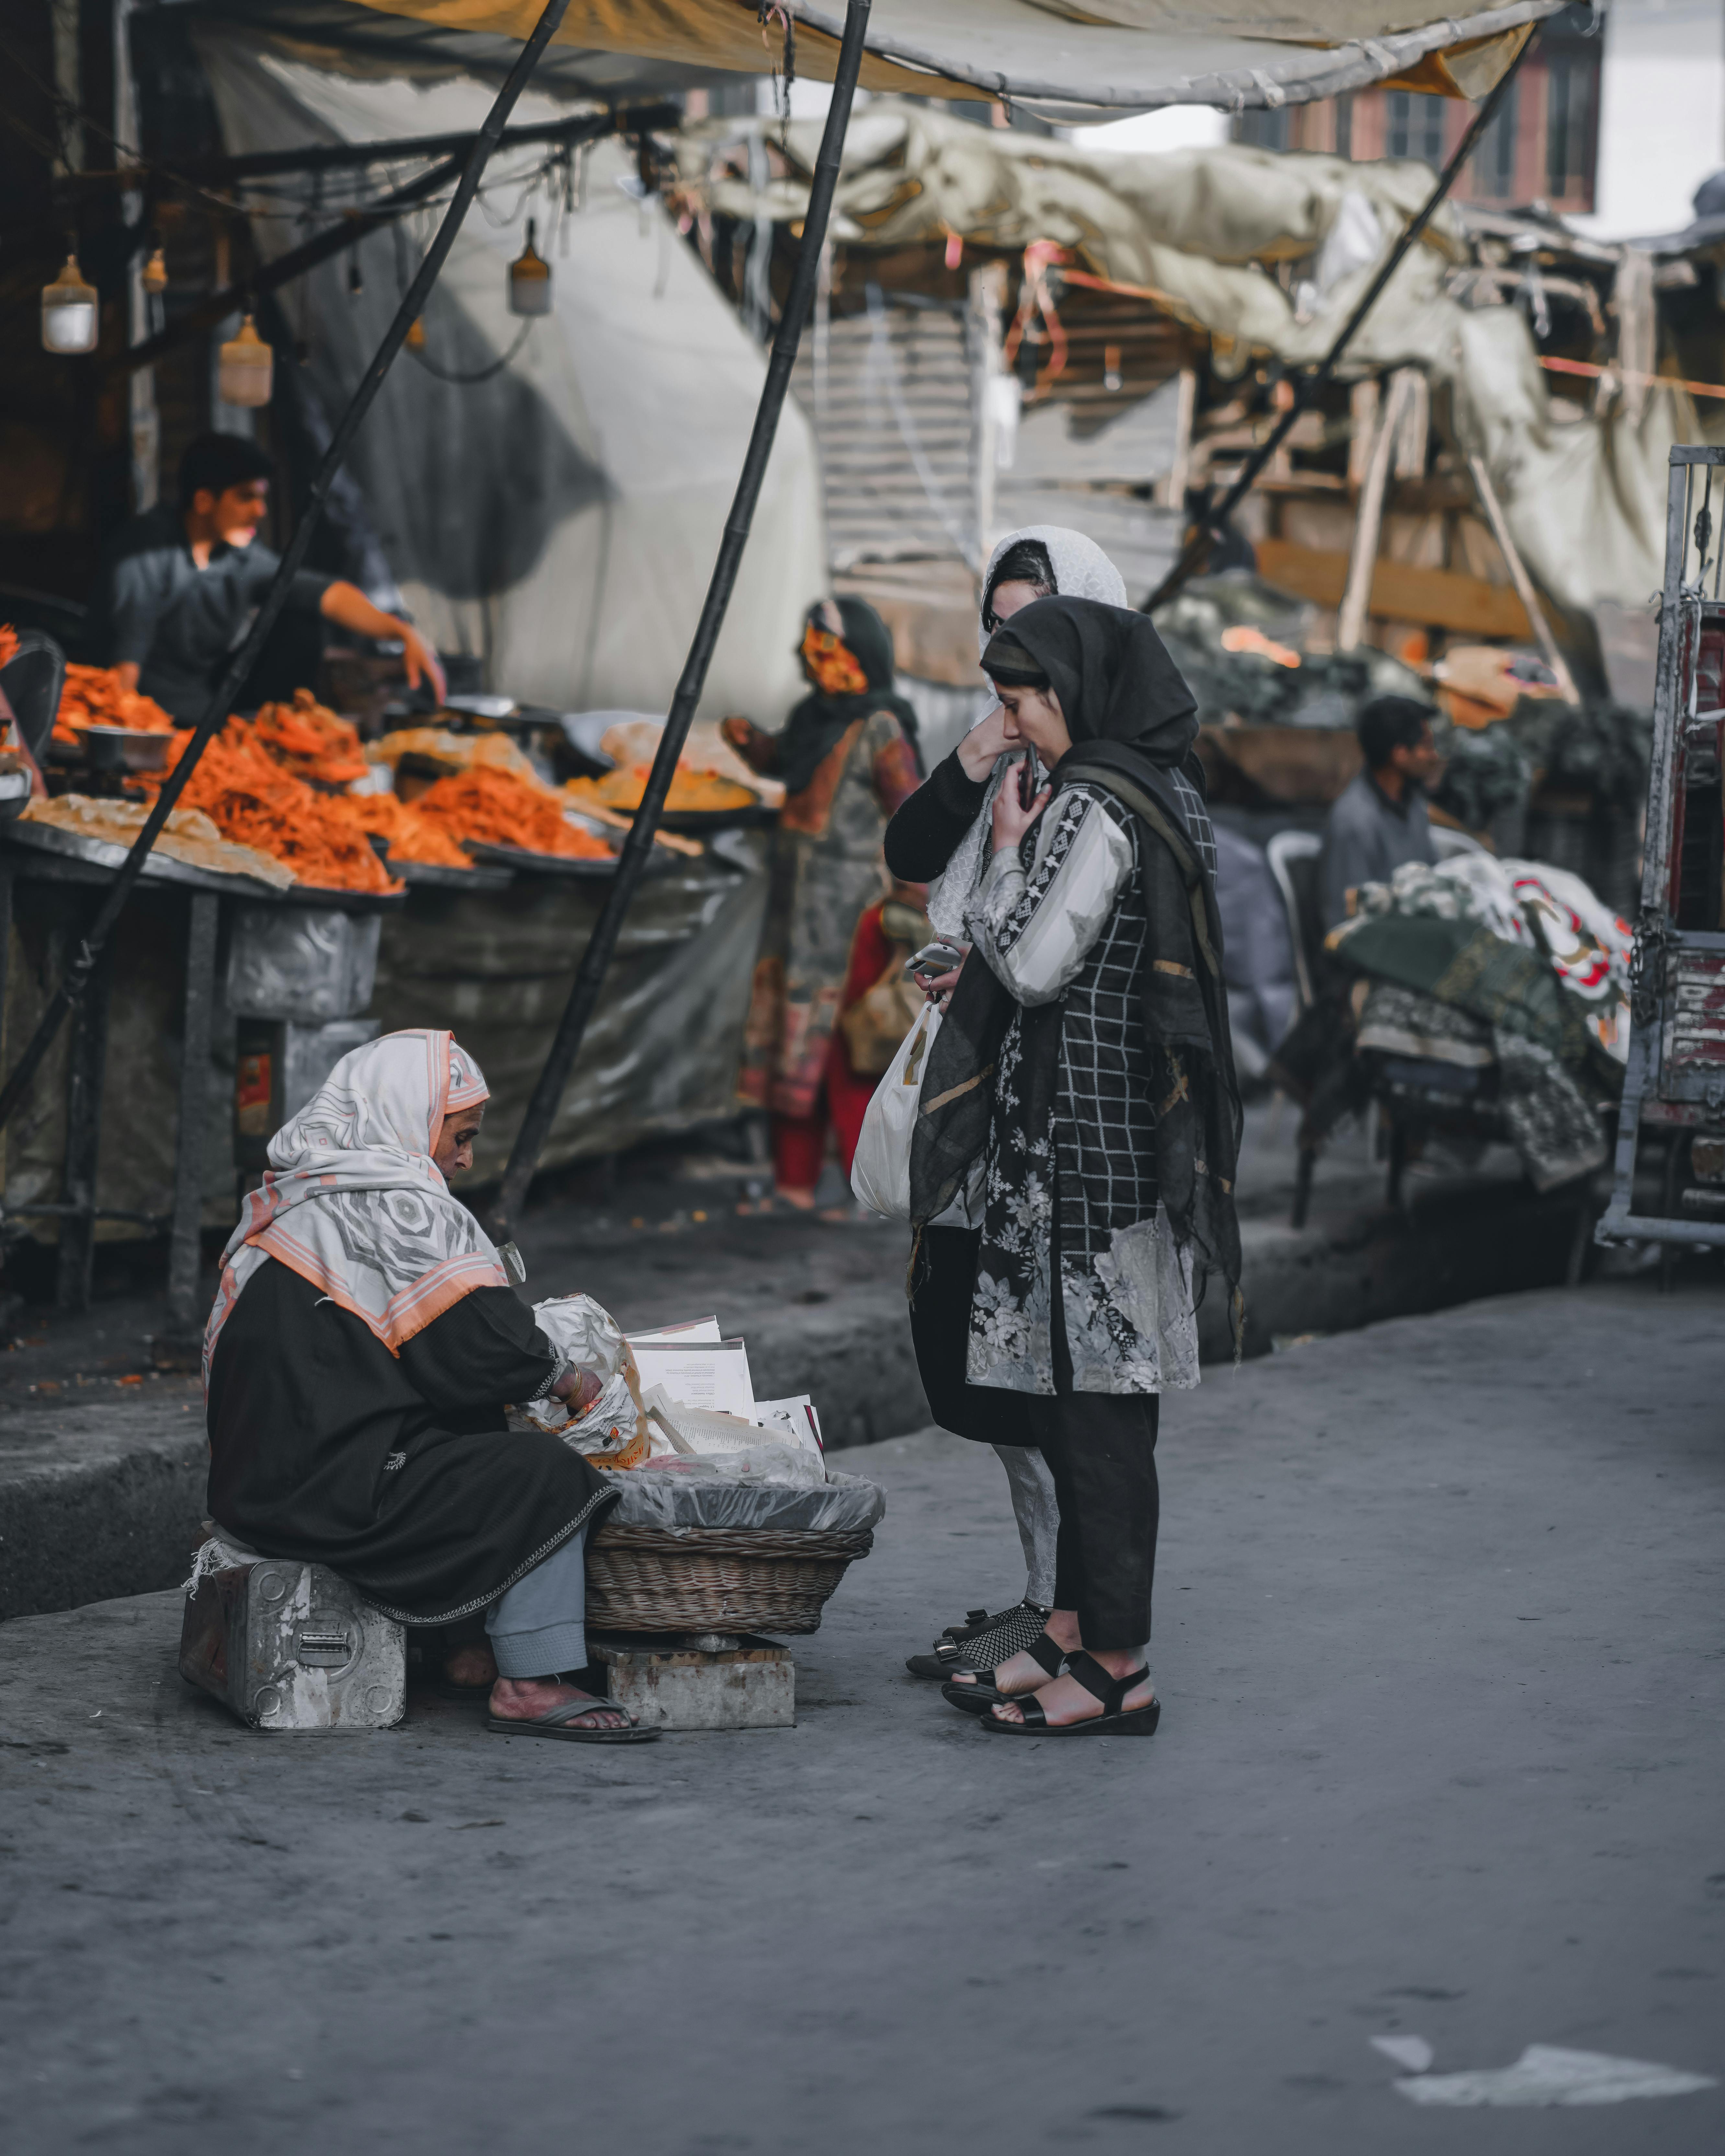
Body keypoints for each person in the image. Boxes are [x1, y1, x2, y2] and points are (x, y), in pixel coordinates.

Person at [924, 595, 1243, 1736]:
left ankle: (1116, 1666)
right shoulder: (1163, 788)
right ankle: (1070, 1628)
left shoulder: (1093, 802)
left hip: (1085, 1156)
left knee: (1099, 1418)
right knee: (1072, 1404)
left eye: (1021, 702)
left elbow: (1027, 961)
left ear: (1073, 692)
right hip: (1111, 1143)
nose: (1013, 725)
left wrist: (1011, 852)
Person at [203, 1028, 653, 1743]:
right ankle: (531, 1681)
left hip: (255, 1496)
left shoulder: (288, 1207)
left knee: (465, 1423)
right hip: (334, 1499)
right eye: (461, 1135)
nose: (467, 1158)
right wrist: (570, 1379)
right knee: (543, 1474)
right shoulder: (400, 1209)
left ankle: (463, 1641)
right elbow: (486, 1347)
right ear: (407, 1117)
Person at [883, 528, 1127, 1684]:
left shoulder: (1107, 773)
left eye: (1033, 628)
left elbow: (1055, 954)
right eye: (997, 629)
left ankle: (1062, 1615)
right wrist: (981, 746)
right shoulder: (1006, 745)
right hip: (972, 1099)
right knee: (966, 1363)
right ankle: (1044, 1599)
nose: (1011, 652)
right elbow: (908, 848)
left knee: (1037, 1373)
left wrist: (984, 951)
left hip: (1053, 1119)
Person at [728, 598, 925, 1209]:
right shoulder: (813, 719)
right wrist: (751, 744)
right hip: (796, 919)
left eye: (823, 650)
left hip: (855, 920)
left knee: (850, 1055)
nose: (807, 660)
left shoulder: (881, 728)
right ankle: (794, 1186)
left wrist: (910, 906)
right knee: (793, 1050)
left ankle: (864, 1193)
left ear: (858, 657)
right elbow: (787, 761)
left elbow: (914, 818)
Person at [90, 432, 445, 723]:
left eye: (262, 498)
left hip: (206, 714)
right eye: (245, 498)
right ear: (204, 501)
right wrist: (128, 734)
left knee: (301, 621)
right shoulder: (145, 551)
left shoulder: (242, 558)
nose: (259, 511)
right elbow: (125, 664)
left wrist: (401, 631)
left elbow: (330, 595)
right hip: (147, 715)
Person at [1319, 694, 1442, 930]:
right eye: (1426, 746)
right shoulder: (1354, 821)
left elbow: (1433, 881)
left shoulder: (1414, 806)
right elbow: (1347, 925)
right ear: (1400, 754)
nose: (1434, 756)